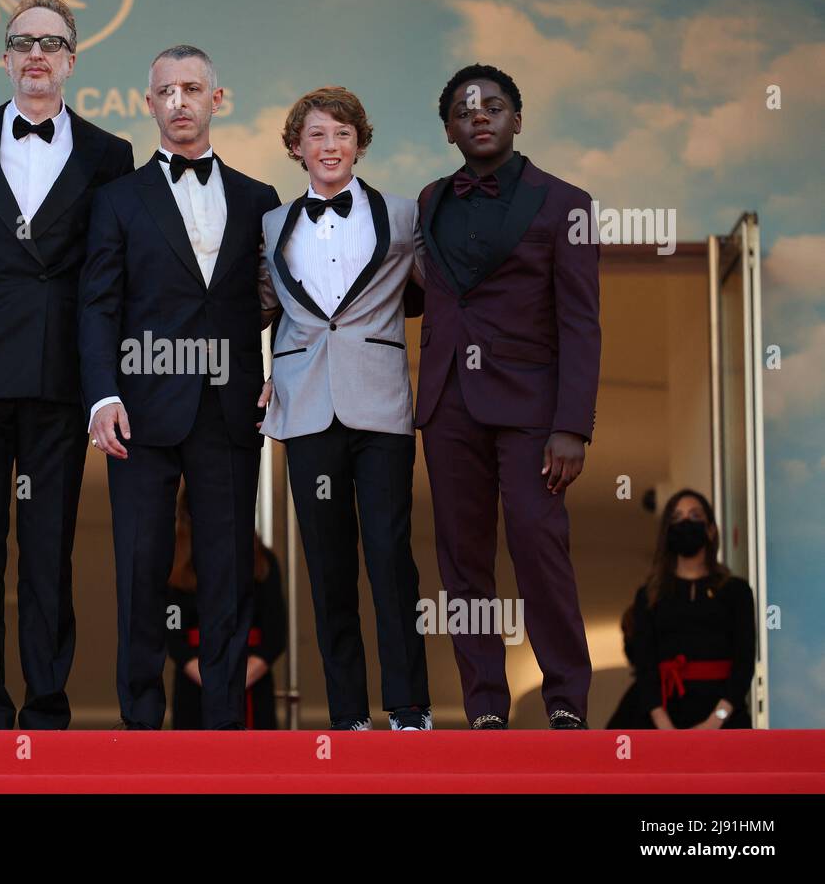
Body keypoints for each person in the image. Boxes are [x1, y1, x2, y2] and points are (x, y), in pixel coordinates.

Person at [0, 0, 134, 730]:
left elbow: (111, 276)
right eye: (23, 42)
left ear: (72, 60)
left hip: (58, 379)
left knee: (48, 551)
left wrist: (106, 384)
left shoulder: (111, 154)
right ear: (5, 58)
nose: (37, 54)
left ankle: (46, 712)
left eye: (51, 43)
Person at [79, 44, 281, 730]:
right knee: (142, 565)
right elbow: (98, 304)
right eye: (166, 90)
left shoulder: (260, 199)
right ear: (149, 104)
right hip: (139, 409)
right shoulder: (117, 199)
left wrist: (282, 371)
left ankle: (222, 728)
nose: (179, 101)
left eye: (193, 88)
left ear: (216, 100)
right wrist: (102, 394)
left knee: (228, 567)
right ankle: (142, 723)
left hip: (229, 406)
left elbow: (285, 300)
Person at [415, 63, 600, 730]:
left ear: (517, 119)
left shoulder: (567, 203)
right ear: (449, 130)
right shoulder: (430, 200)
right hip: (447, 403)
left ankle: (565, 701)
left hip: (532, 410)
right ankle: (486, 708)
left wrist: (572, 424)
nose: (480, 116)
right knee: (462, 560)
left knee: (537, 543)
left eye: (493, 106)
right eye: (465, 110)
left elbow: (581, 319)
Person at [258, 86, 431, 731]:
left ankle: (409, 708)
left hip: (380, 405)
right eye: (317, 135)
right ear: (296, 147)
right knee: (327, 564)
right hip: (306, 406)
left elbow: (439, 295)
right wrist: (255, 375)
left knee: (390, 556)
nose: (330, 146)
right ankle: (349, 715)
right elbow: (258, 307)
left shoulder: (404, 215)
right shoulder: (272, 225)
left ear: (359, 144)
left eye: (342, 134)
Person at [630, 489, 755, 729]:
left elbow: (744, 663)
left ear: (711, 530)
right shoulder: (648, 595)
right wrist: (665, 727)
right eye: (677, 518)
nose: (686, 522)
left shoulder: (736, 591)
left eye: (695, 516)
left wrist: (716, 720)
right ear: (667, 531)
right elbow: (644, 668)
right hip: (664, 723)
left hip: (727, 721)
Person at [166, 488, 286, 729]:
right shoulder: (174, 565)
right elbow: (173, 636)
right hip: (194, 683)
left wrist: (238, 679)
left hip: (251, 680)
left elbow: (275, 634)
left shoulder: (263, 561)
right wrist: (213, 681)